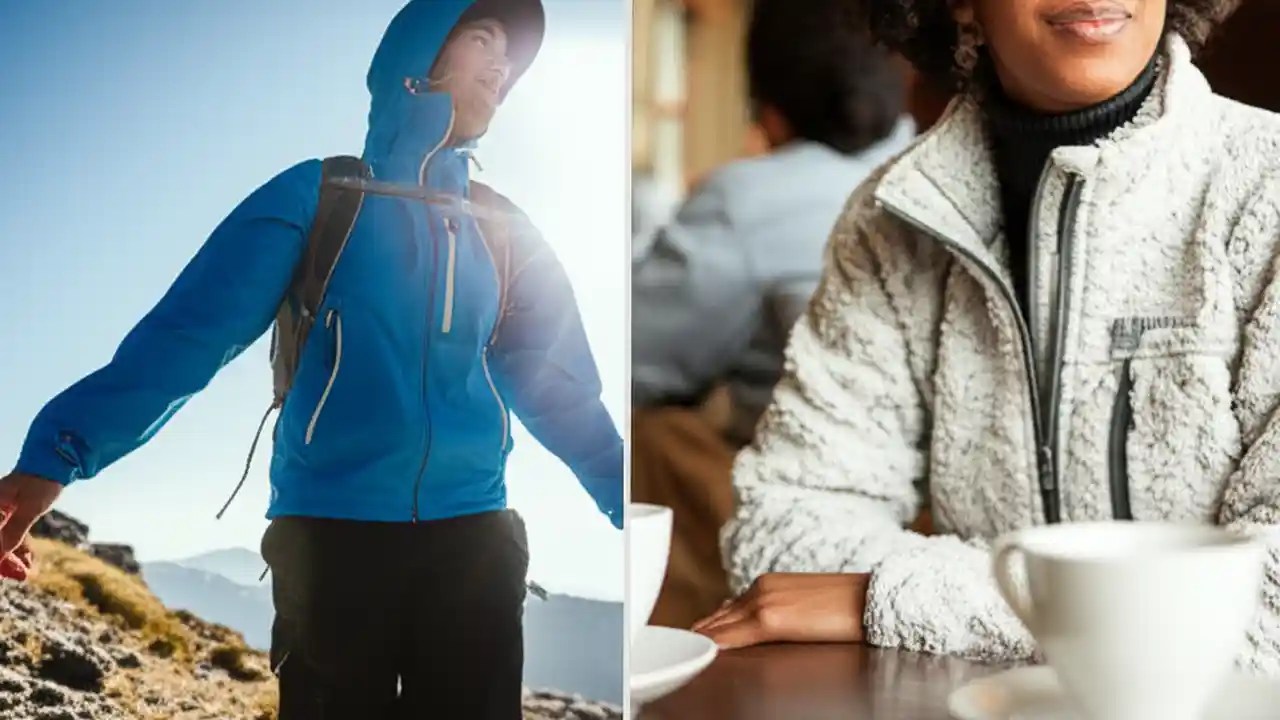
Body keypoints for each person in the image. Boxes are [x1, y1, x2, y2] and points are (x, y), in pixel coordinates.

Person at [0, 0, 623, 717]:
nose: (501, 64)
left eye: (509, 57)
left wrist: (627, 505)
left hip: (474, 545)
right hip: (330, 542)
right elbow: (185, 340)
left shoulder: (506, 230)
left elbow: (561, 392)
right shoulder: (318, 195)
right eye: (482, 37)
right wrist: (56, 457)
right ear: (417, 60)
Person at [694, 0, 1280, 675]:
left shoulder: (1263, 190)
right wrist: (1073, 616)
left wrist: (897, 598)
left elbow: (1266, 605)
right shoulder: (889, 220)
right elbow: (784, 532)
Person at [630, 0, 913, 628]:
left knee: (648, 433)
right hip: (927, 515)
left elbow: (630, 359)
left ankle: (669, 650)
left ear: (767, 104)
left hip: (808, 519)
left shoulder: (751, 198)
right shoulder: (928, 168)